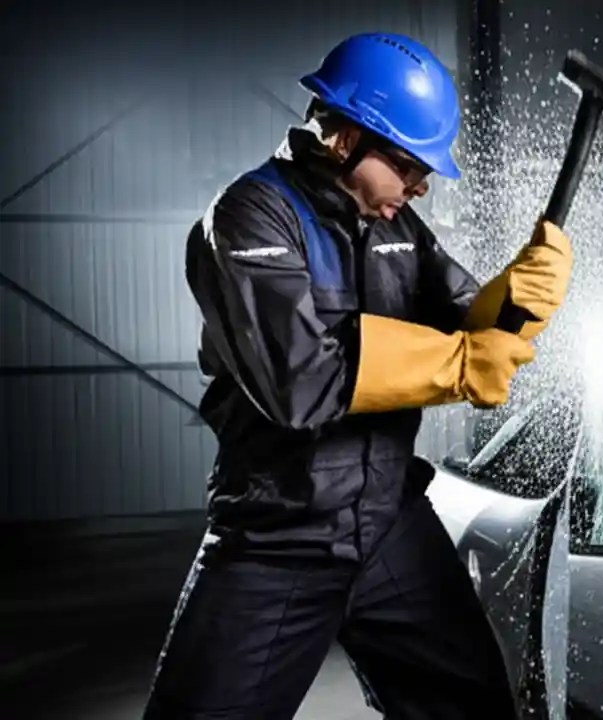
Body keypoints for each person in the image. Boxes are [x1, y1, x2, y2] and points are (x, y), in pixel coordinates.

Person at [143, 31, 572, 719]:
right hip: (279, 535)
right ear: (345, 137)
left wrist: (518, 296)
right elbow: (300, 381)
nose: (420, 185)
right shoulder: (252, 217)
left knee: (475, 706)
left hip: (388, 527)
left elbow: (468, 323)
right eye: (408, 165)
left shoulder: (400, 227)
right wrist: (462, 362)